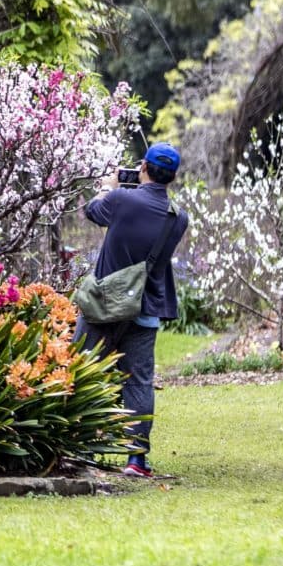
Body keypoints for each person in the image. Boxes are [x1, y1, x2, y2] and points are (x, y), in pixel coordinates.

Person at [74, 143, 189, 478]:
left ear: (143, 168)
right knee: (138, 380)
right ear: (172, 176)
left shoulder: (121, 200)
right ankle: (136, 459)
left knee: (83, 369)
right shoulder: (177, 218)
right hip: (144, 309)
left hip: (102, 305)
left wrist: (108, 186)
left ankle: (73, 446)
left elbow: (92, 211)